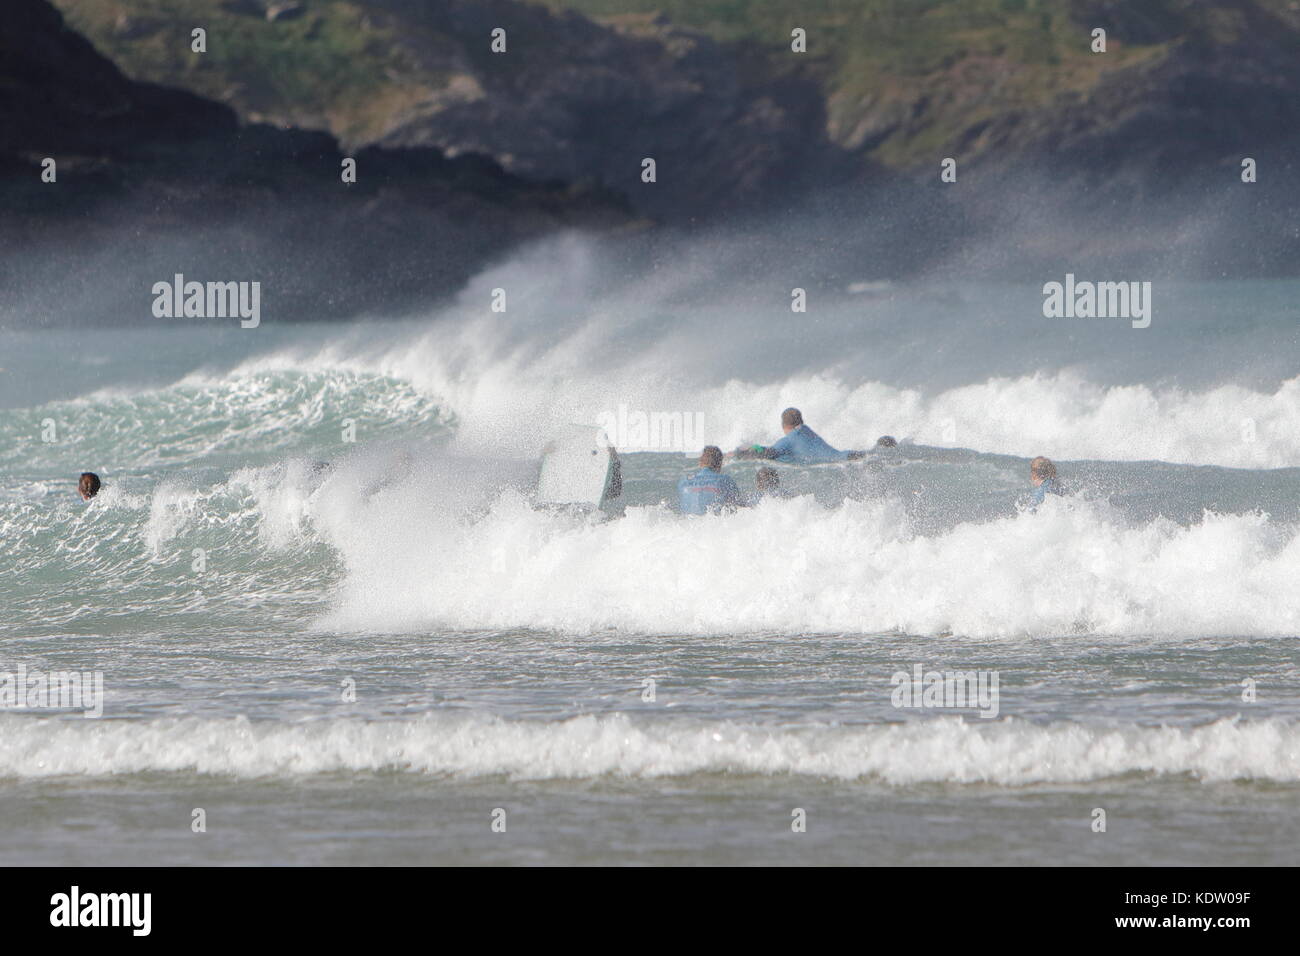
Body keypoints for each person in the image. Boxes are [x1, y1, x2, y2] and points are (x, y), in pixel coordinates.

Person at [733, 408, 865, 463]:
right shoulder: (807, 431)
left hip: (836, 462)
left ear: (784, 425)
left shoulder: (789, 439)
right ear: (801, 421)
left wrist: (741, 452)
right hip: (846, 456)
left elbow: (767, 453)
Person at [678, 446, 741, 515]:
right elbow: (739, 506)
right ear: (720, 463)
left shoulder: (684, 482)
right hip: (713, 523)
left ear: (700, 462)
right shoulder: (725, 480)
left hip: (687, 524)